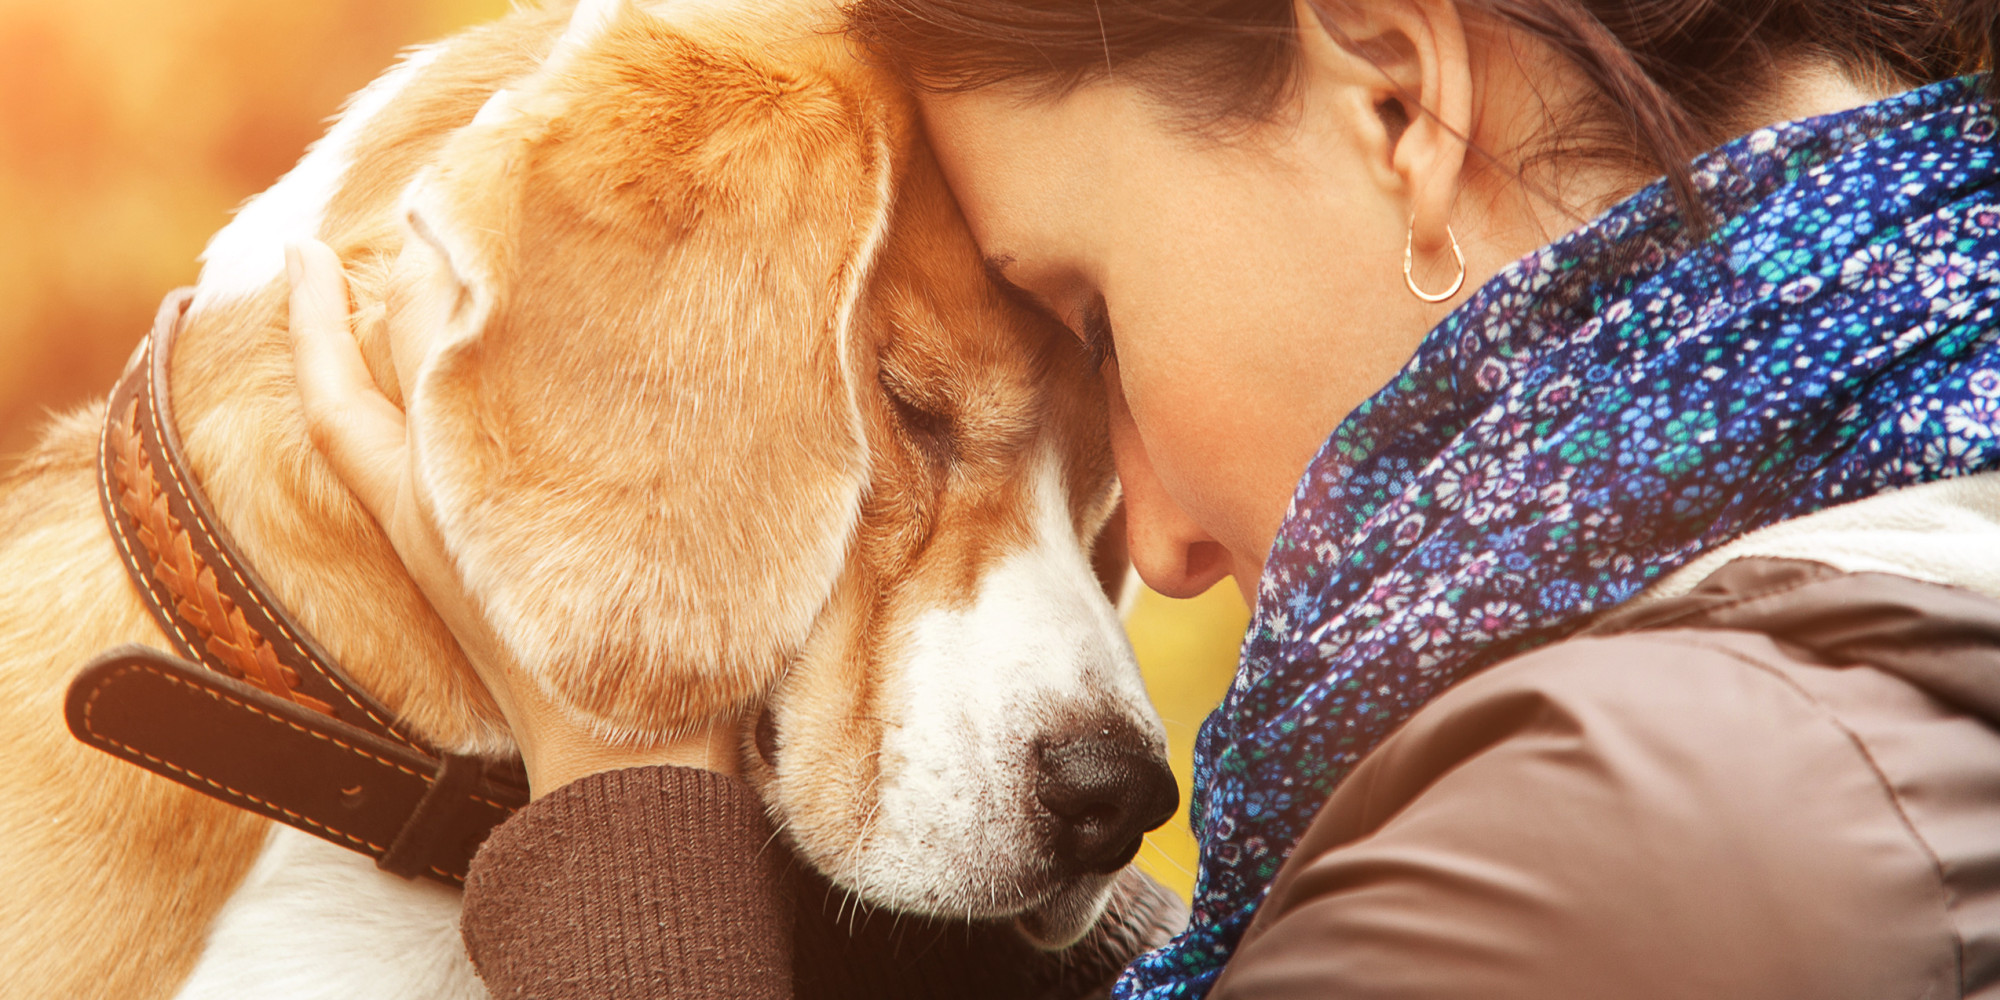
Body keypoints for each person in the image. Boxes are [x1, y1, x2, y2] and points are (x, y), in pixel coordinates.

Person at [286, 0, 2000, 996]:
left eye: (1098, 317)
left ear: (1400, 95)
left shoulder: (1655, 827)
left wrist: (625, 811)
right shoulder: (1884, 578)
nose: (1161, 554)